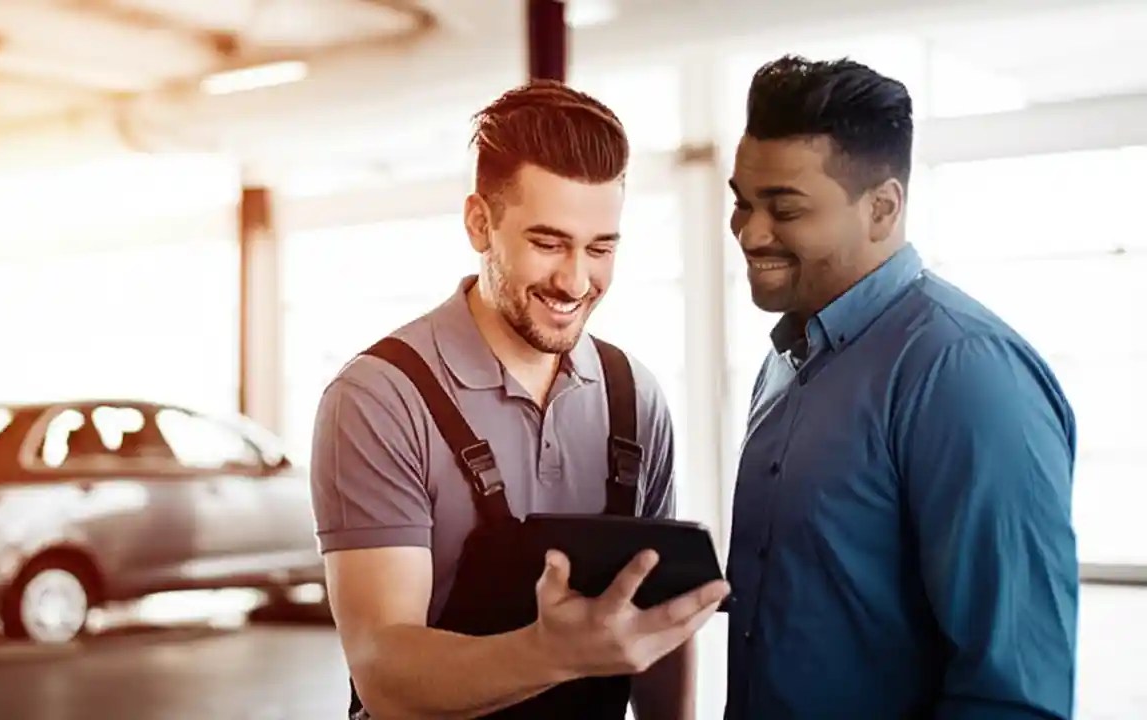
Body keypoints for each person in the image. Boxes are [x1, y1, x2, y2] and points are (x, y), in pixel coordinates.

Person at [309, 79, 729, 720]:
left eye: (601, 248)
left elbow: (654, 612)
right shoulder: (378, 398)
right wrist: (553, 654)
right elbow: (383, 674)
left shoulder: (635, 397)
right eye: (548, 243)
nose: (576, 280)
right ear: (480, 223)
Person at [723, 55, 1078, 719]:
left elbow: (1015, 694)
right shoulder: (787, 360)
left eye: (785, 209)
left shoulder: (967, 374)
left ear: (882, 208)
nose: (750, 232)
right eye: (742, 203)